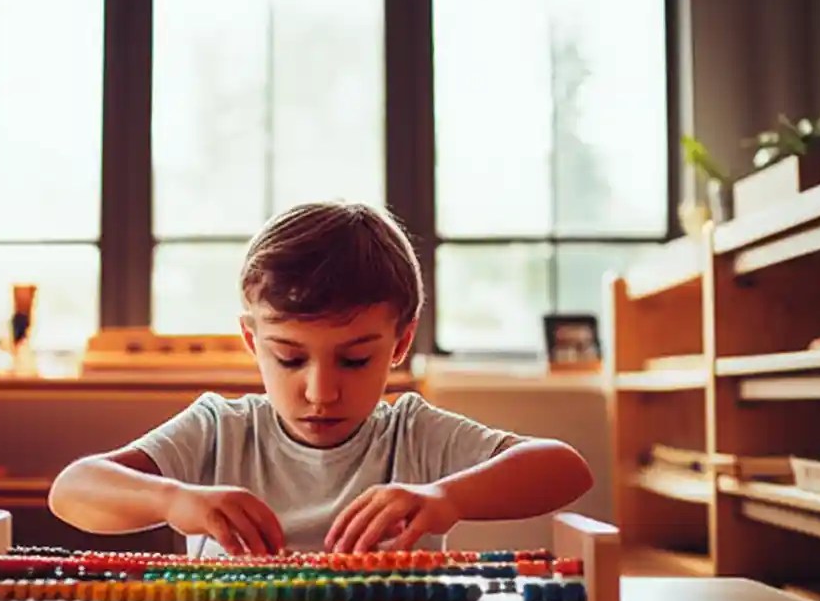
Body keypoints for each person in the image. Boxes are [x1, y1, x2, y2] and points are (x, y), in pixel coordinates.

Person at [49, 202, 593, 557]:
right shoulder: (219, 428)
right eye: (289, 359)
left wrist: (445, 496)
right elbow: (72, 490)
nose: (321, 391)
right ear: (251, 341)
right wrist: (173, 501)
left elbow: (565, 468)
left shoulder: (413, 433)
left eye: (354, 360)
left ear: (400, 343)